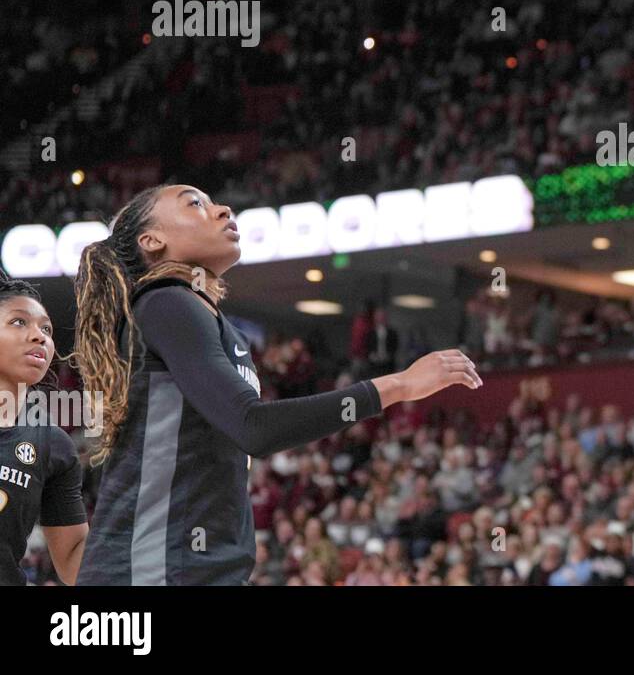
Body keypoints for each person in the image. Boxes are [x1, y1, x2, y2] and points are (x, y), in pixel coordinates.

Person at [72, 184, 482, 585]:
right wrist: (399, 386)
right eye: (196, 204)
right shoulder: (165, 301)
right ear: (152, 240)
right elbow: (254, 427)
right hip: (150, 568)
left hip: (195, 565)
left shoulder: (208, 320)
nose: (222, 210)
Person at [0, 272, 88, 585]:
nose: (40, 336)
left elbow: (74, 562)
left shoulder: (53, 443)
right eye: (19, 322)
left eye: (46, 328)